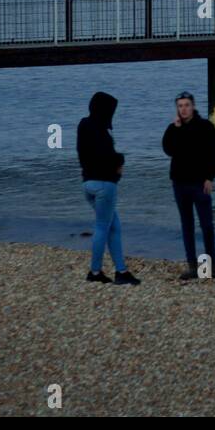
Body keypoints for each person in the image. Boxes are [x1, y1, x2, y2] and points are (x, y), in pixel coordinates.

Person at [162, 91, 215, 280]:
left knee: (207, 226)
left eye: (186, 105)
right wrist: (175, 128)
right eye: (180, 106)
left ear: (193, 106)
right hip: (179, 183)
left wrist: (210, 177)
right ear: (177, 109)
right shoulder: (174, 128)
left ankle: (211, 267)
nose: (183, 109)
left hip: (200, 184)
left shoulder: (205, 127)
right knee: (187, 225)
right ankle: (193, 266)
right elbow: (168, 149)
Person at [76, 92, 140, 285]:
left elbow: (85, 155)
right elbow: (106, 156)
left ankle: (121, 271)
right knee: (103, 227)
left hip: (87, 184)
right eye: (112, 110)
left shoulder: (84, 125)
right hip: (104, 185)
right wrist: (120, 160)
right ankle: (95, 272)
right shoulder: (101, 130)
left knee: (113, 226)